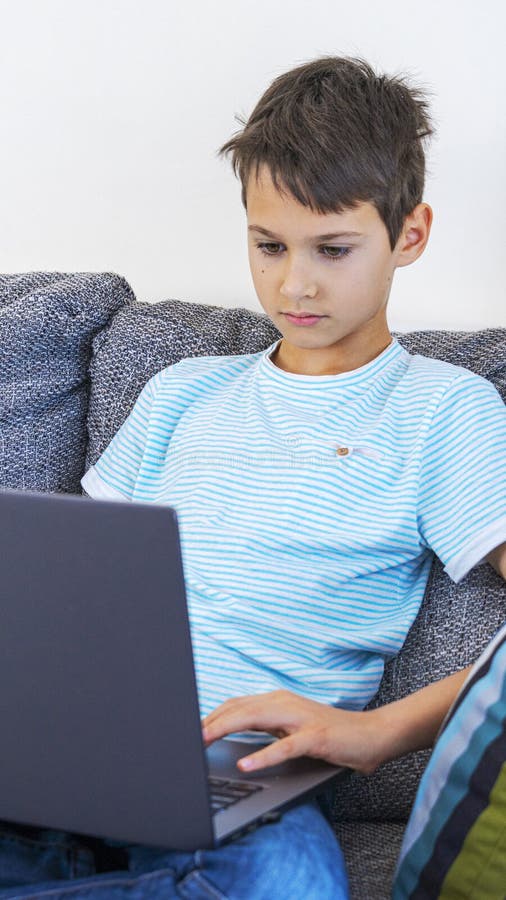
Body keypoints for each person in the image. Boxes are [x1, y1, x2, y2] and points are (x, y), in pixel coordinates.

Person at [1, 56, 505, 899]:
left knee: (289, 883)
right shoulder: (182, 390)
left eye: (332, 249)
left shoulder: (444, 409)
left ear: (408, 235)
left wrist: (378, 732)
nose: (293, 283)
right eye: (268, 245)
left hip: (248, 774)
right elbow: (59, 584)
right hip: (81, 748)